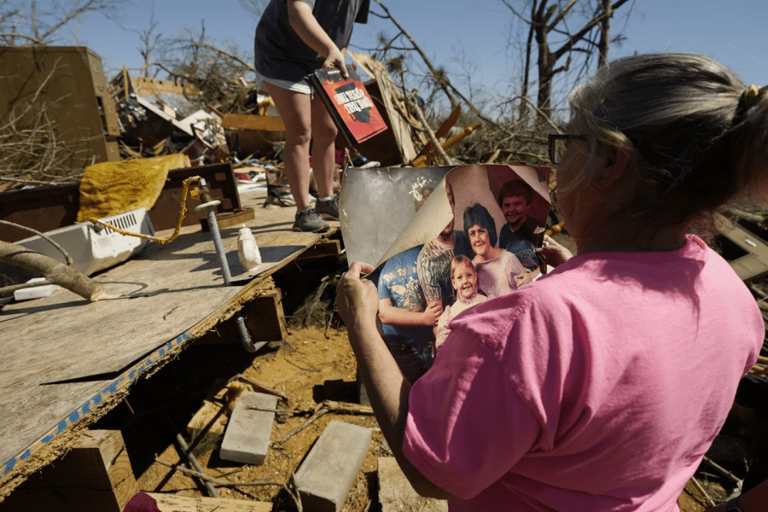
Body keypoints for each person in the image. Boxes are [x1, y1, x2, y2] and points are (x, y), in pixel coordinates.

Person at [336, 53, 767, 511]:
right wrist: (579, 279)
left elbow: (433, 472)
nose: (558, 168)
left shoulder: (529, 326)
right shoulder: (729, 293)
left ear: (609, 162)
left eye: (568, 144)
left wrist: (363, 326)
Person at [253, 0, 369, 232]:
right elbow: (297, 14)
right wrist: (330, 50)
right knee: (301, 130)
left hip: (321, 57)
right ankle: (303, 211)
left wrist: (338, 56)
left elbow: (344, 28)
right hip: (281, 53)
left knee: (328, 130)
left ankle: (326, 201)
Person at [464, 203, 532, 298]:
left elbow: (529, 296)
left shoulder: (508, 260)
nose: (477, 239)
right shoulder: (470, 270)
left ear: (490, 231)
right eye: (472, 234)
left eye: (481, 231)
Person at [434, 255, 487, 353]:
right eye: (460, 278)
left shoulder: (485, 302)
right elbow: (442, 344)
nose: (465, 281)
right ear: (454, 283)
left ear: (475, 277)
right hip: (463, 355)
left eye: (469, 275)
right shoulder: (451, 313)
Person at [497, 180, 542, 271]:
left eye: (517, 204)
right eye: (507, 205)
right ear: (501, 208)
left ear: (528, 205)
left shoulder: (538, 229)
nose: (511, 209)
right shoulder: (504, 230)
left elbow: (548, 263)